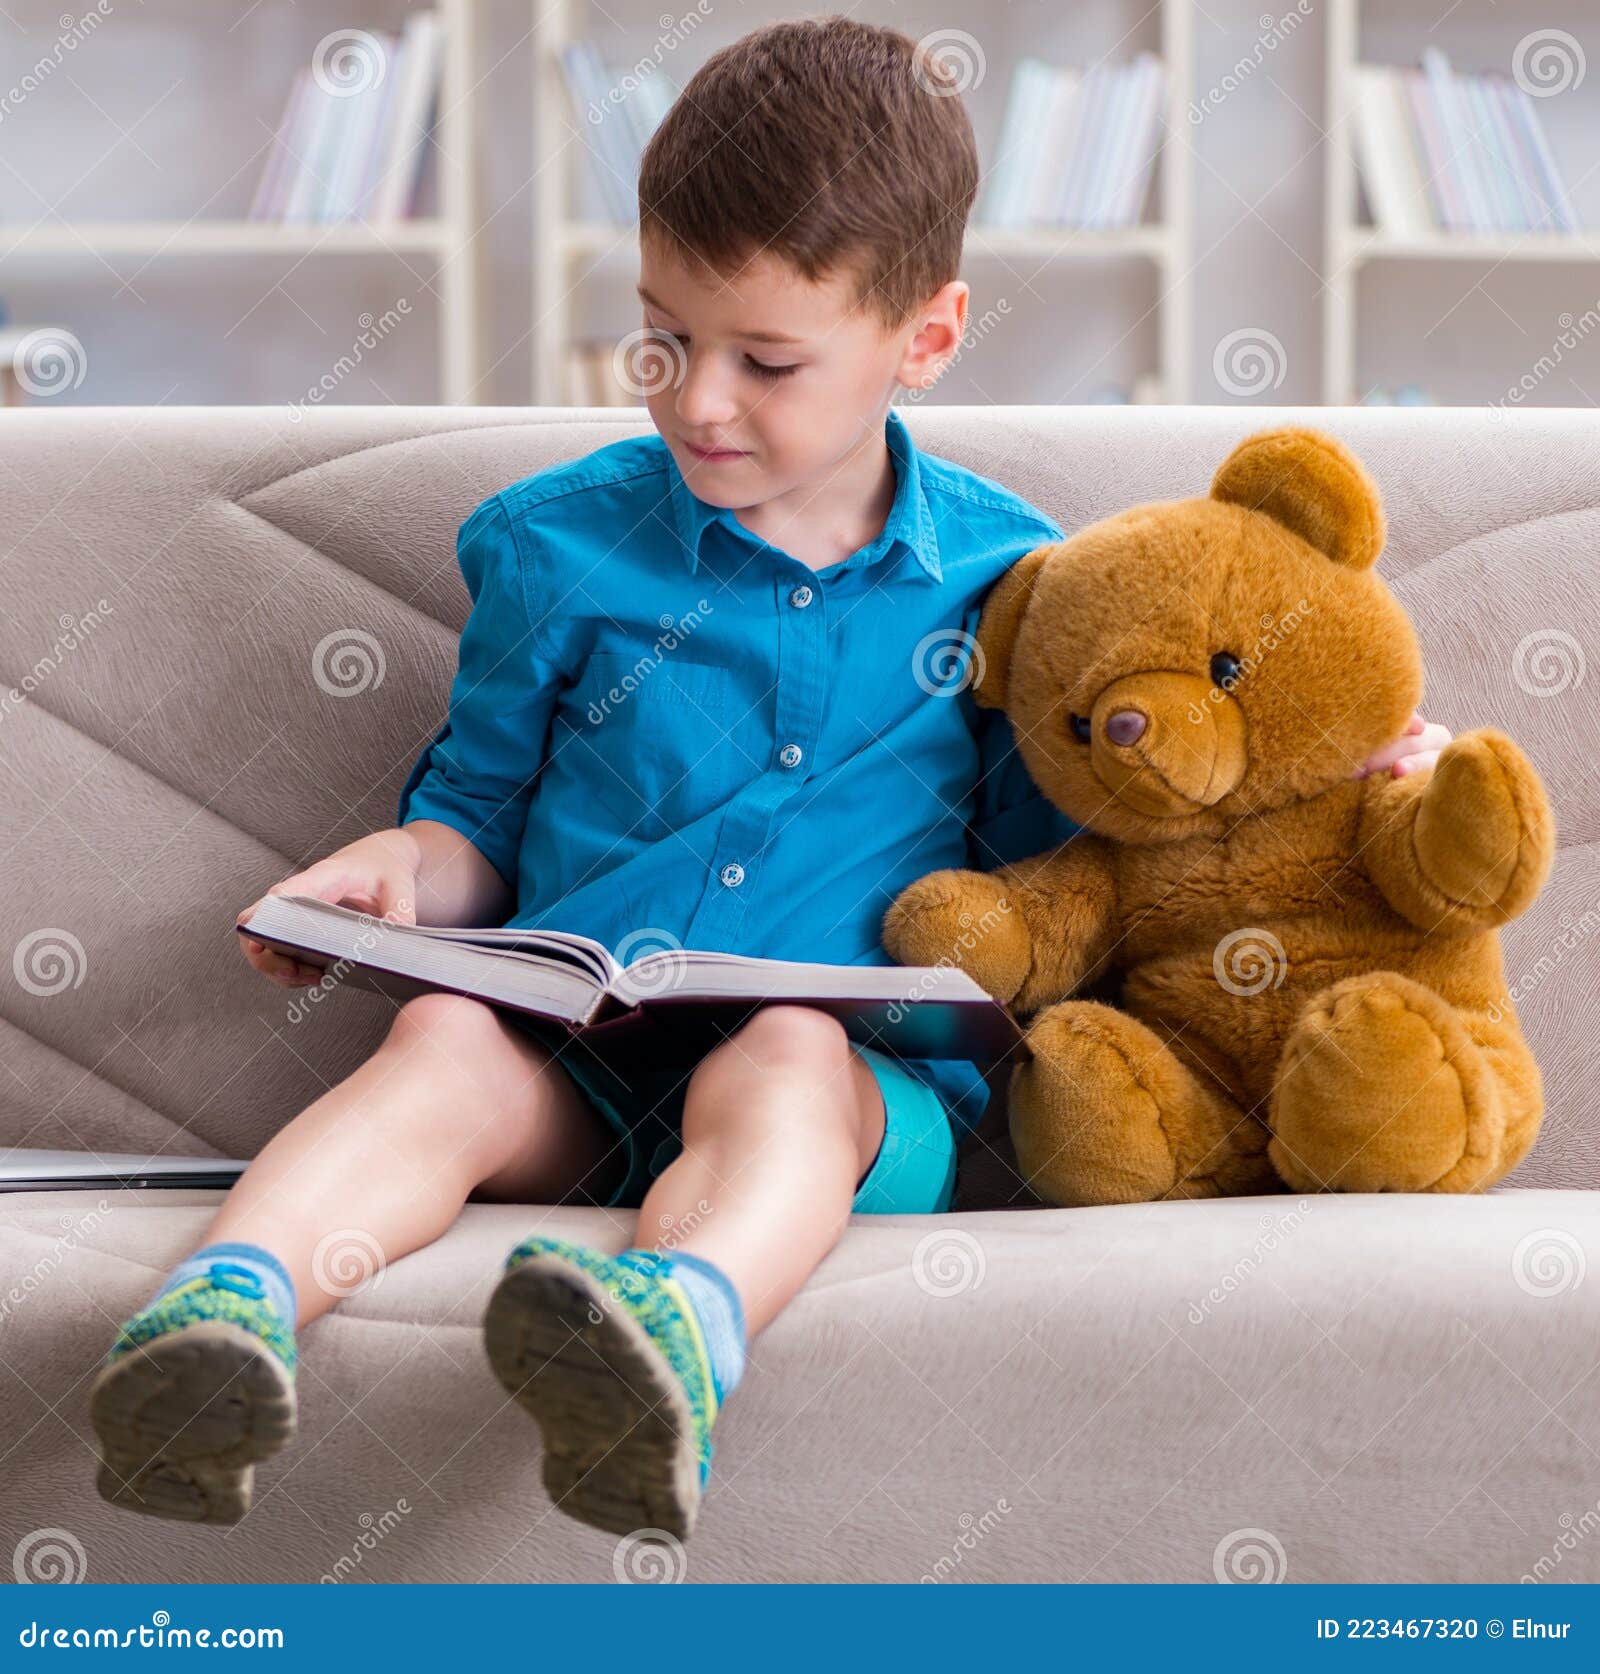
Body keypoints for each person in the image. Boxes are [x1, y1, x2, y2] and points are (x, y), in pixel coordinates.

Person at [88, 17, 1449, 1543]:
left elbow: (1077, 854)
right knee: (443, 1030)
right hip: (575, 1066)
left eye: (767, 360)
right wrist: (396, 877)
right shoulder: (554, 546)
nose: (698, 401)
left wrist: (1354, 772)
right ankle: (222, 1316)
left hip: (849, 1093)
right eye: (664, 334)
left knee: (789, 1051)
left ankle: (671, 1335)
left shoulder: (1014, 586)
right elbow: (471, 821)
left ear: (925, 339)